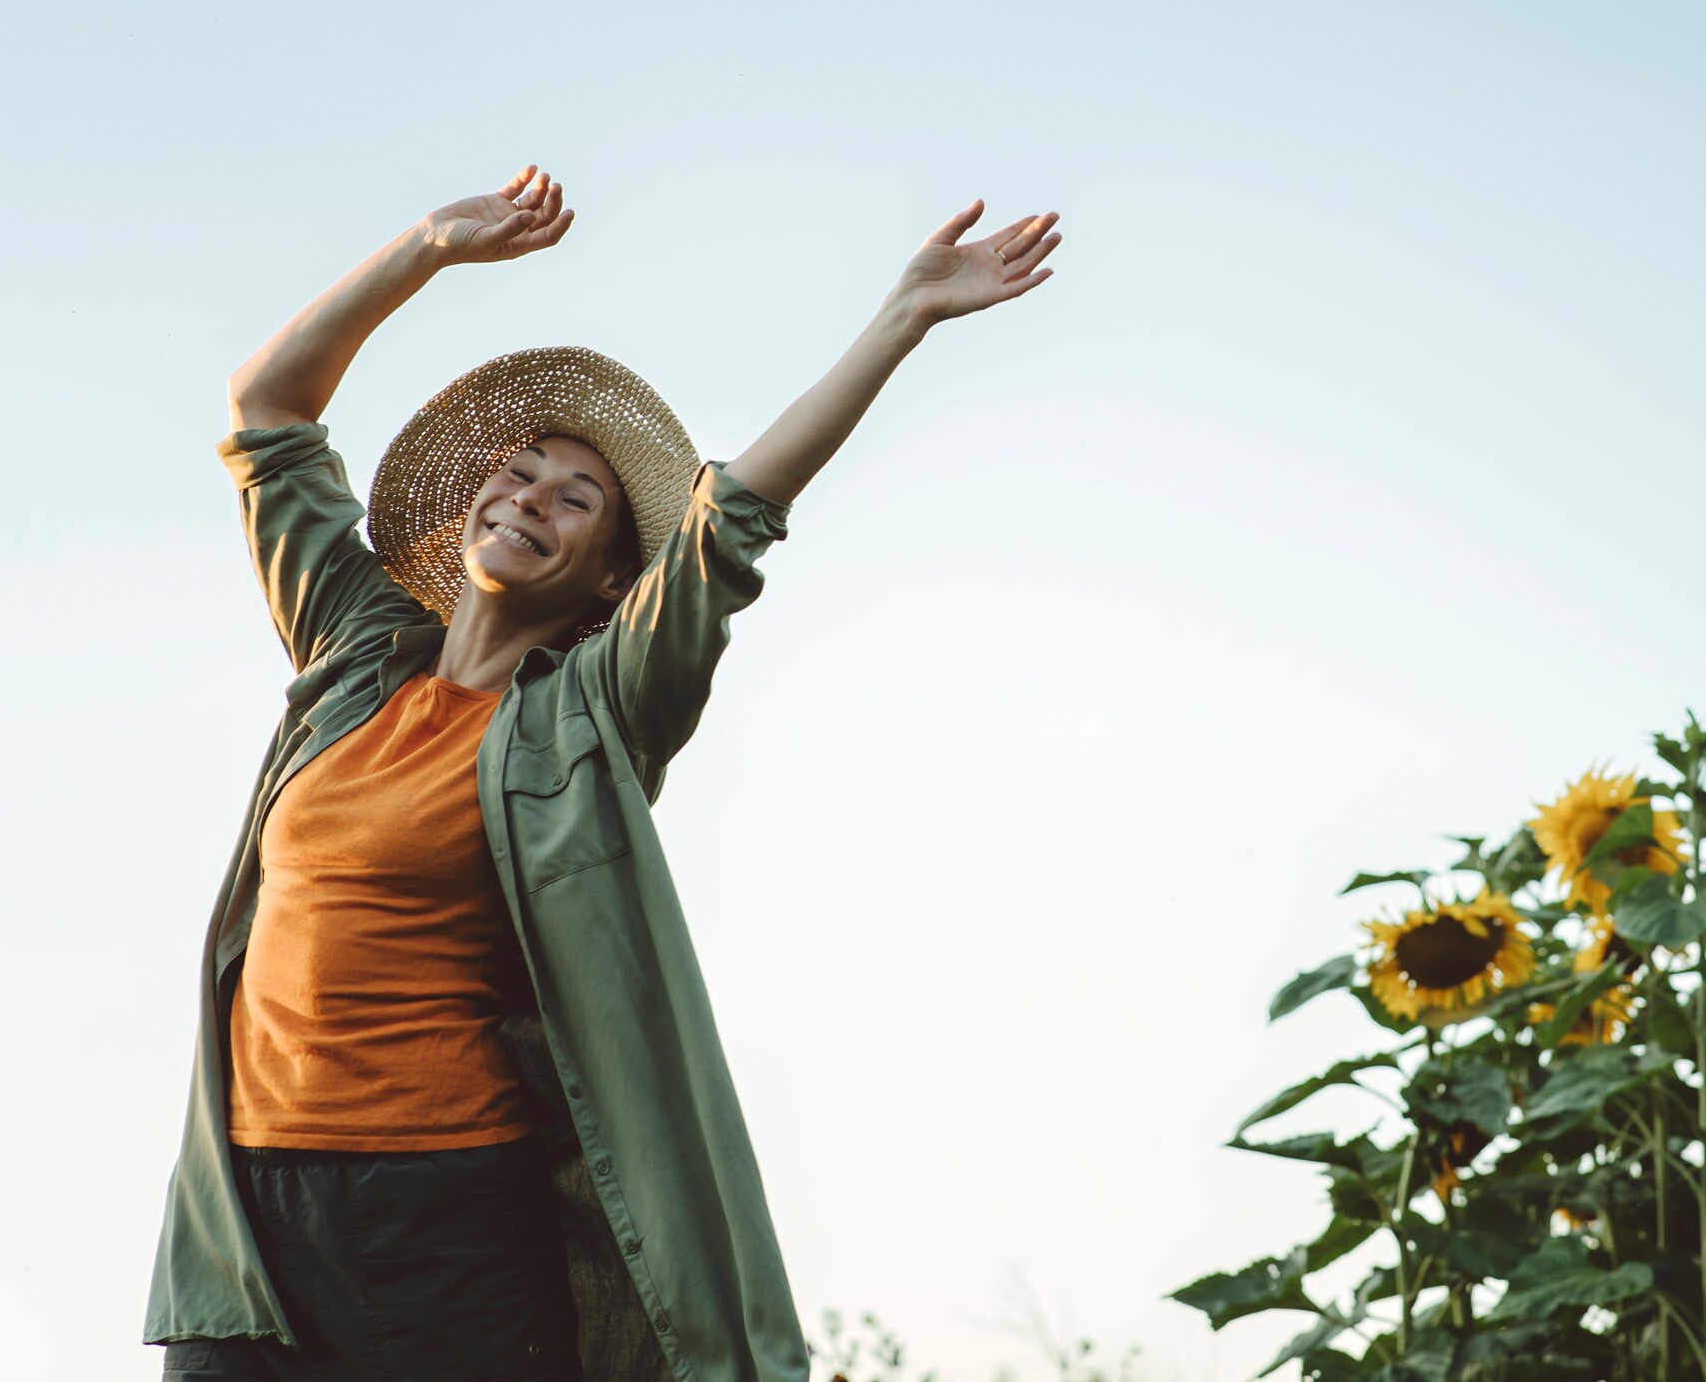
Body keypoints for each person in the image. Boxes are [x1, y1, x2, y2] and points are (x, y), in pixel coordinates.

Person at [145, 166, 1062, 1382]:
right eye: (518, 471)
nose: (528, 497)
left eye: (574, 498)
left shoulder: (594, 710)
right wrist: (426, 246)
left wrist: (900, 319)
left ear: (612, 580)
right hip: (247, 1222)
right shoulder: (357, 656)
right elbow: (268, 409)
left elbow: (732, 513)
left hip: (445, 1220)